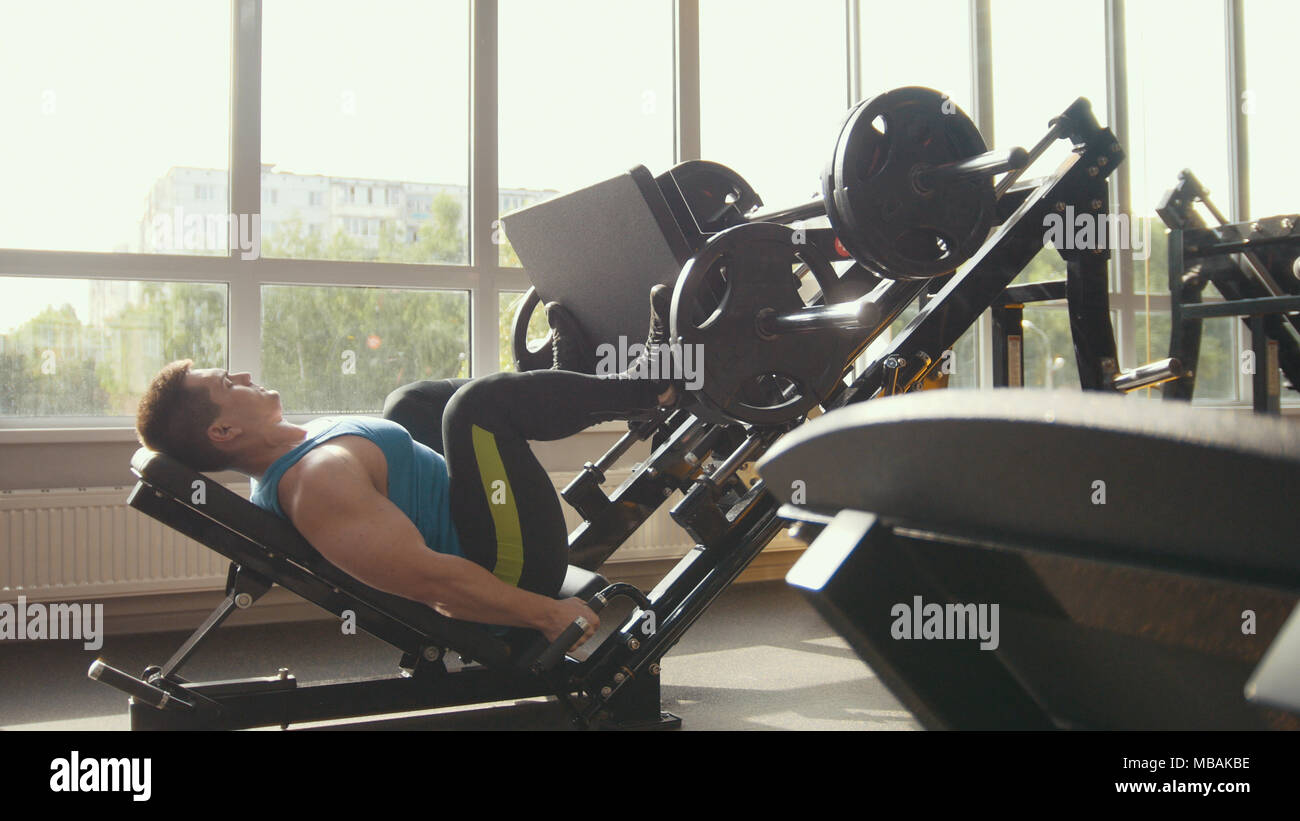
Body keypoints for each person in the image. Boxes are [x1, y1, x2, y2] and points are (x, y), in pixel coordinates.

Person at [134, 286, 677, 651]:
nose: (242, 375)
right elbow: (431, 583)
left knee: (409, 404)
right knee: (474, 410)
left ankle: (571, 380)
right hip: (509, 566)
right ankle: (650, 388)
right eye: (226, 383)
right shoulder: (315, 486)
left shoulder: (311, 446)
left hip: (479, 529)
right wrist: (546, 614)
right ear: (223, 432)